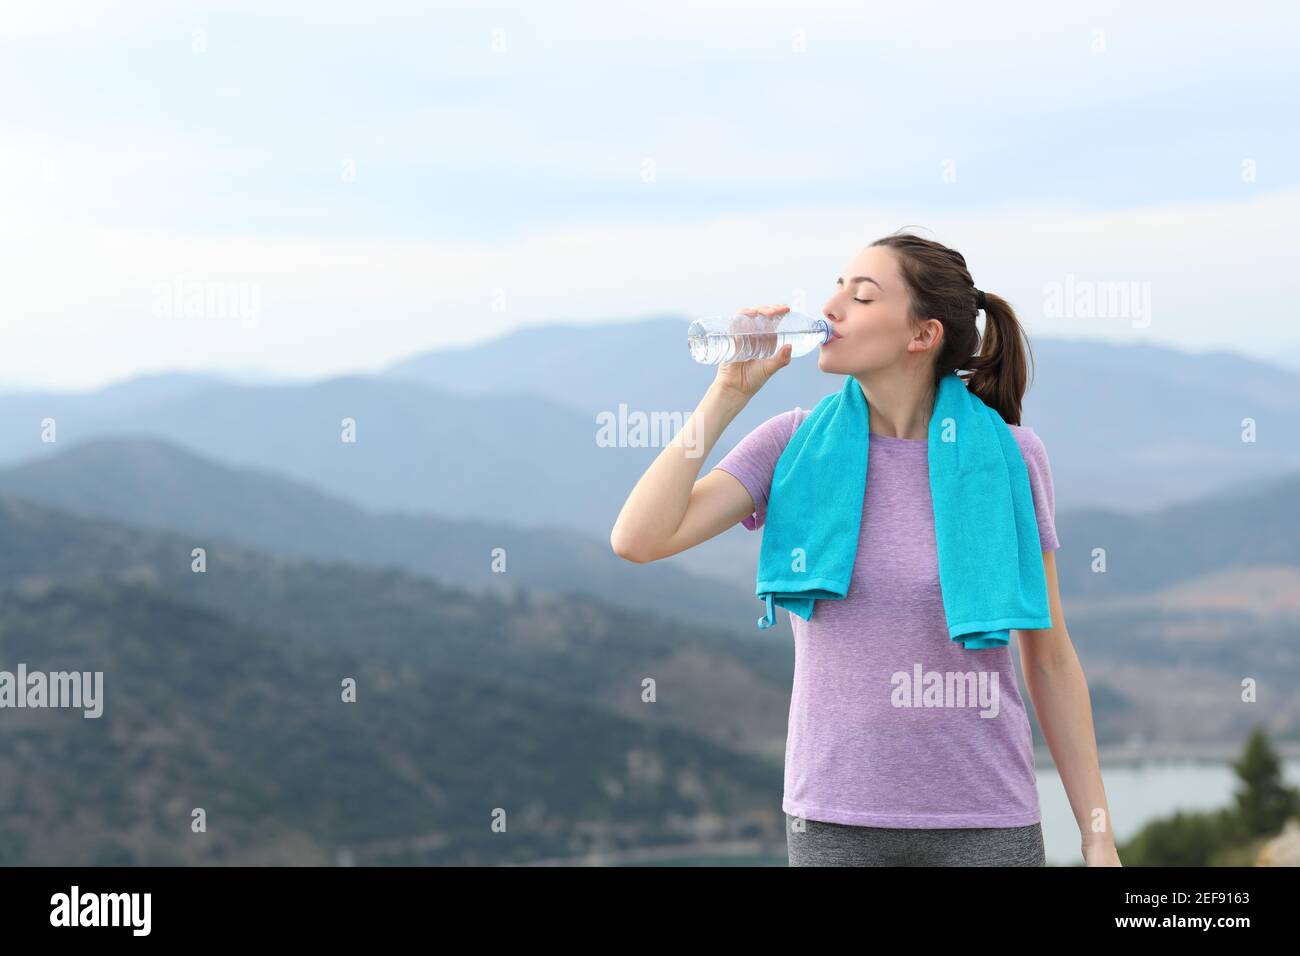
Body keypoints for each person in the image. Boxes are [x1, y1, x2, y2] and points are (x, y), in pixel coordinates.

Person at [610, 231, 1121, 867]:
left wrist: (1096, 833)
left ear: (921, 335)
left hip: (984, 818)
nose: (831, 308)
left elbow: (1048, 660)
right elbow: (639, 537)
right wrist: (729, 394)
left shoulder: (1013, 458)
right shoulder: (791, 443)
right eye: (836, 288)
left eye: (862, 296)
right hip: (833, 821)